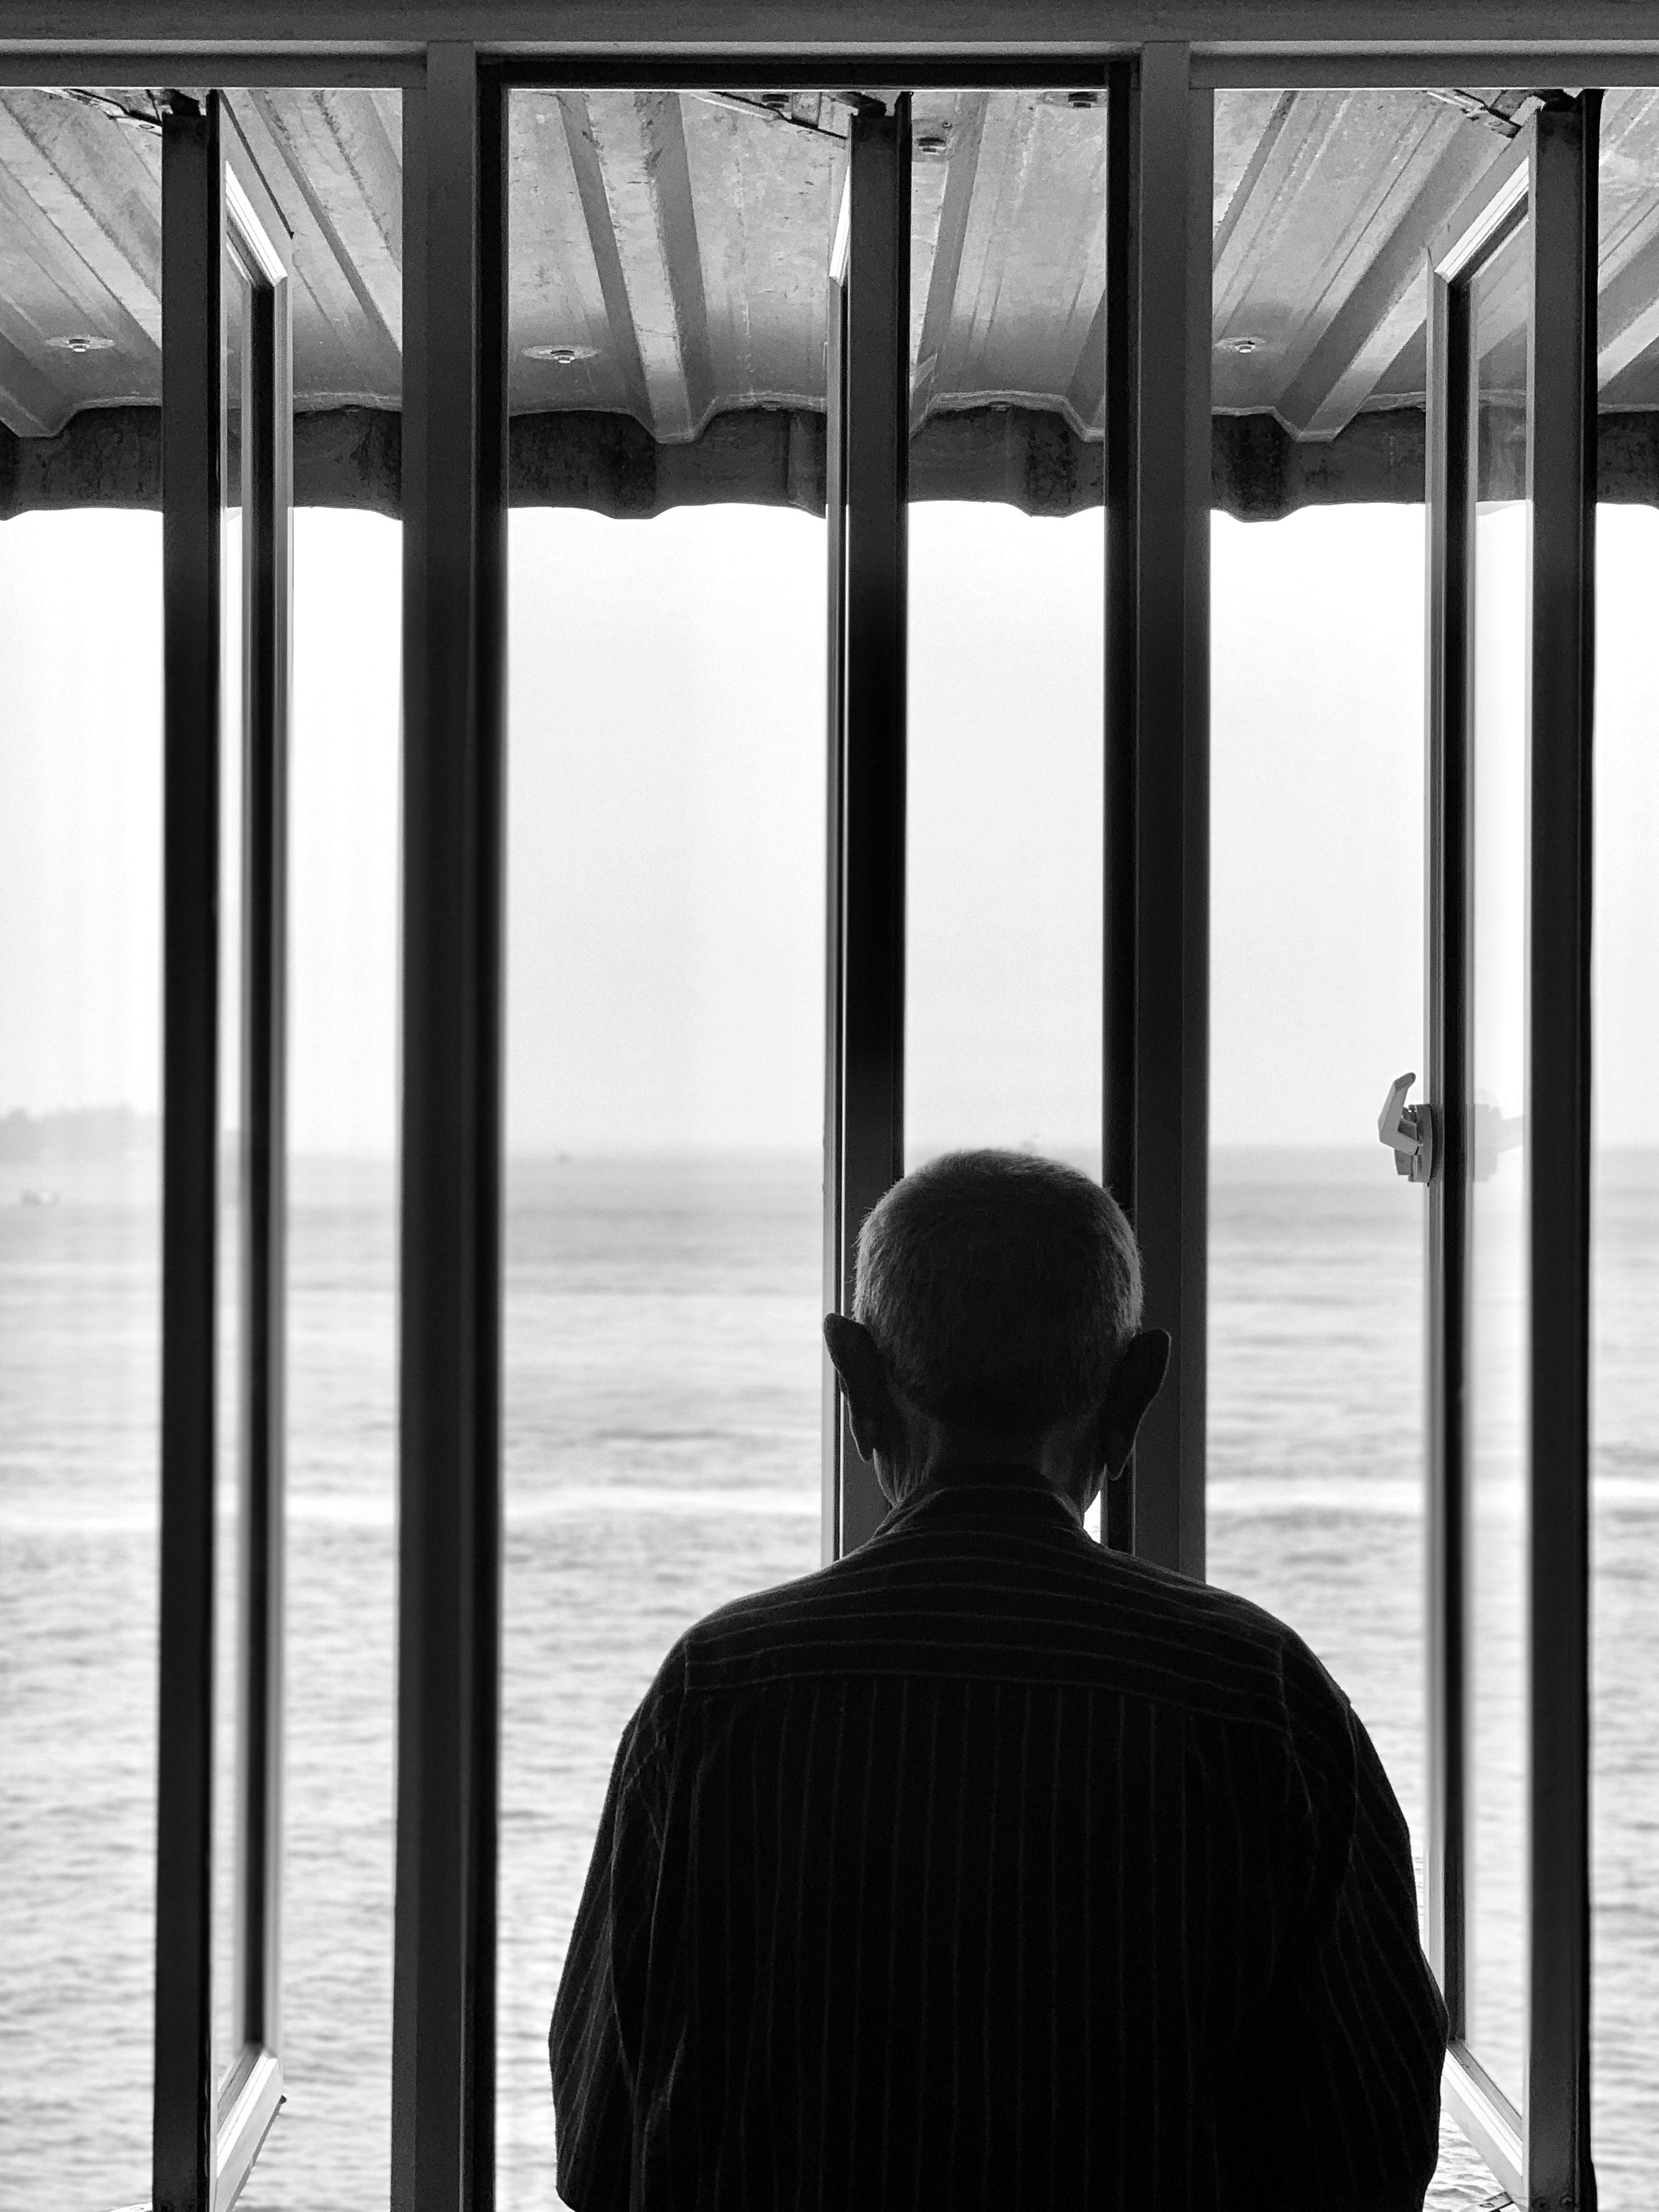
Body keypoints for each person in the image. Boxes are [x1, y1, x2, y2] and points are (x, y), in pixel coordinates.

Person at [549, 1149, 1449, 2211]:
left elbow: (605, 2147)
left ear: (857, 1383)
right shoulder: (1261, 1703)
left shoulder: (720, 1695)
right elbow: (1371, 2151)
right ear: (1134, 1392)